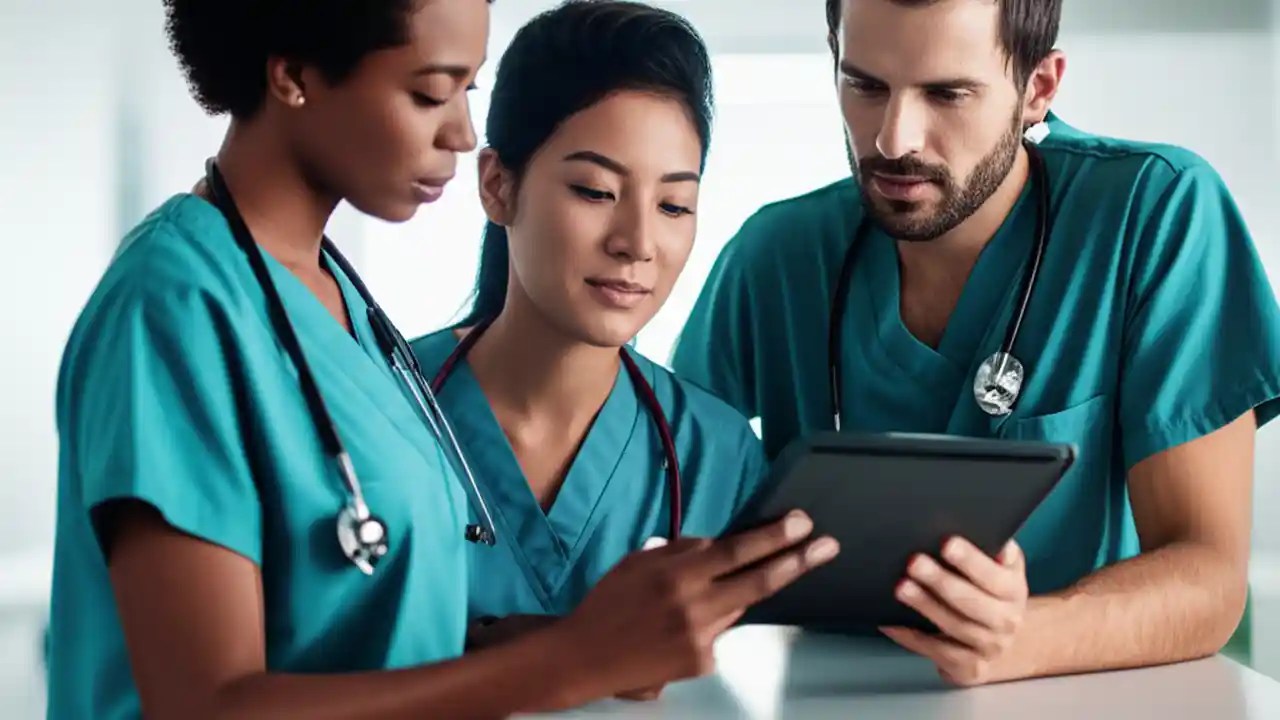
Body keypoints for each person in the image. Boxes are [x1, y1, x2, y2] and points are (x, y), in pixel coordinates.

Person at [44, 1, 839, 717]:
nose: (462, 133)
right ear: (292, 75)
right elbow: (206, 707)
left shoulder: (336, 303)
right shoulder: (176, 305)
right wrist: (573, 659)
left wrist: (580, 638)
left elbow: (361, 633)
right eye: (431, 92)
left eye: (469, 91)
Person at [672, 0, 1280, 687]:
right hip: (825, 698)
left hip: (1074, 696)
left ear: (1038, 88)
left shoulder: (1153, 213)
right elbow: (660, 520)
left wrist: (1025, 635)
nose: (893, 139)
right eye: (866, 86)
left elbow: (1209, 580)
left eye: (947, 93)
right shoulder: (776, 256)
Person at [408, 2, 798, 672]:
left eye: (674, 205)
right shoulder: (378, 406)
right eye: (594, 190)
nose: (637, 244)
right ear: (498, 185)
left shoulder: (717, 458)